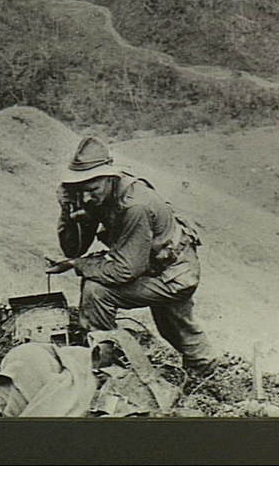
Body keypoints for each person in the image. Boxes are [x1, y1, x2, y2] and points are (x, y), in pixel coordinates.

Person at [46, 136, 218, 376]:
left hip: (172, 272)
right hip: (153, 265)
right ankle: (206, 368)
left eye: (92, 190)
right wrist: (68, 212)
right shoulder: (94, 194)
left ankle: (106, 367)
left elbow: (124, 271)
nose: (86, 198)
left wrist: (77, 265)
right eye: (80, 190)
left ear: (110, 178)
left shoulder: (134, 204)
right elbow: (74, 248)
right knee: (176, 327)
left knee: (98, 291)